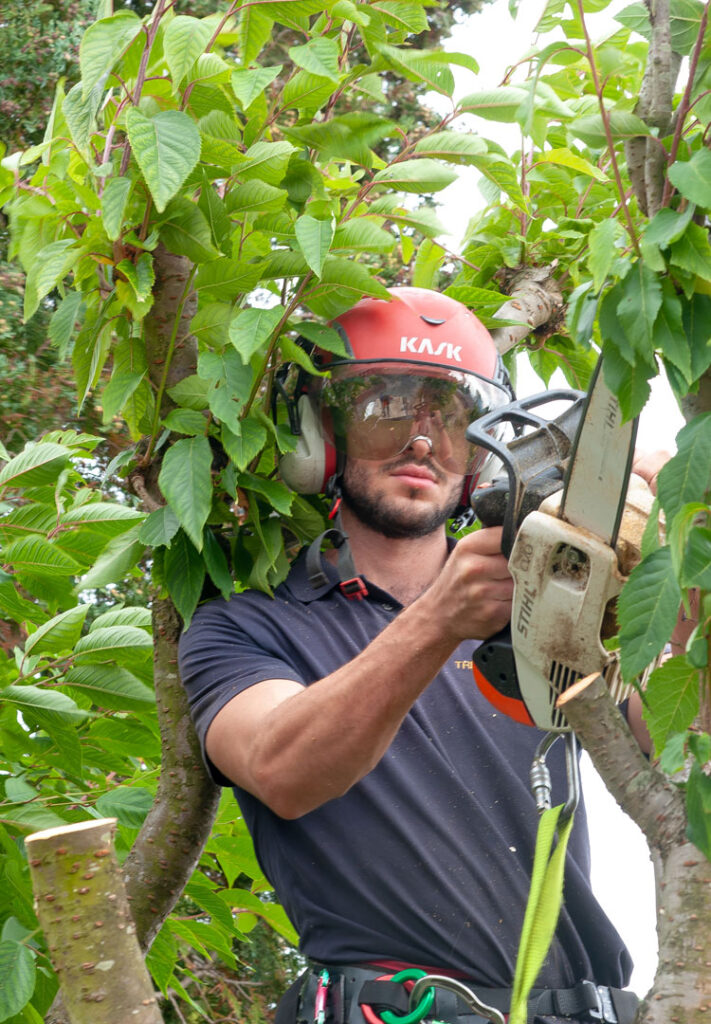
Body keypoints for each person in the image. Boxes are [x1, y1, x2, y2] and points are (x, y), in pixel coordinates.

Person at [178, 288, 652, 1024]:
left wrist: (676, 591)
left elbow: (680, 767)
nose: (421, 443)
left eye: (449, 420)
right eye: (384, 412)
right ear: (320, 438)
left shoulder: (550, 616)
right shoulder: (244, 630)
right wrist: (439, 620)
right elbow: (282, 767)